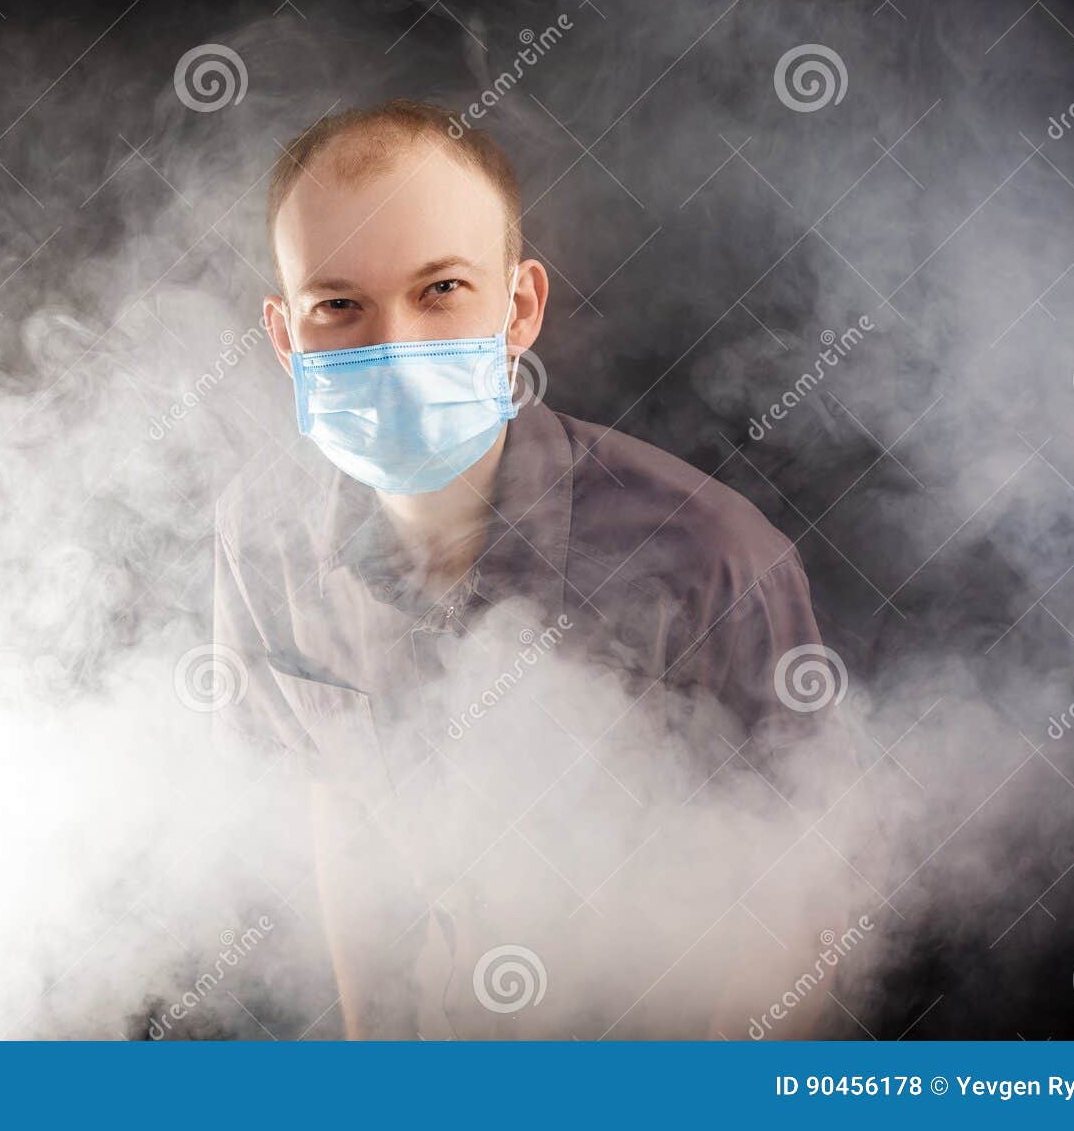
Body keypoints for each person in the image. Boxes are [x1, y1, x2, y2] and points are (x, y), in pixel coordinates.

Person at [213, 99, 850, 1038]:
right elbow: (339, 815)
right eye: (339, 304)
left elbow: (796, 908)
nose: (395, 346)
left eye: (440, 290)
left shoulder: (713, 556)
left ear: (518, 307)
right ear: (285, 336)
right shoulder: (259, 537)